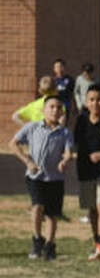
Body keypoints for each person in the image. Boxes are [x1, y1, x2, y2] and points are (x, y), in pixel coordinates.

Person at [10, 95, 73, 260]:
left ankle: (50, 245)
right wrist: (27, 161)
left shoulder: (65, 132)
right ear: (44, 110)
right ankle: (37, 239)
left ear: (62, 112)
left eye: (59, 108)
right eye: (51, 107)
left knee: (52, 214)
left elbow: (68, 152)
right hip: (35, 176)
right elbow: (13, 144)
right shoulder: (32, 127)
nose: (55, 110)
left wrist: (64, 161)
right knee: (37, 206)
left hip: (55, 178)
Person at [74, 84, 100, 259]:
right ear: (86, 102)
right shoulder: (81, 121)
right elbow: (75, 143)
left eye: (99, 99)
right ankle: (96, 243)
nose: (95, 103)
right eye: (92, 99)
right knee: (91, 209)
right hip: (85, 171)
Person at [51, 58, 75, 125]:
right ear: (54, 69)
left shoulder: (69, 79)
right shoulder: (52, 81)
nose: (59, 68)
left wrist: (73, 105)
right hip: (55, 105)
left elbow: (72, 93)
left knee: (63, 123)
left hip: (65, 105)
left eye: (60, 66)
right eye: (56, 67)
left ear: (64, 67)